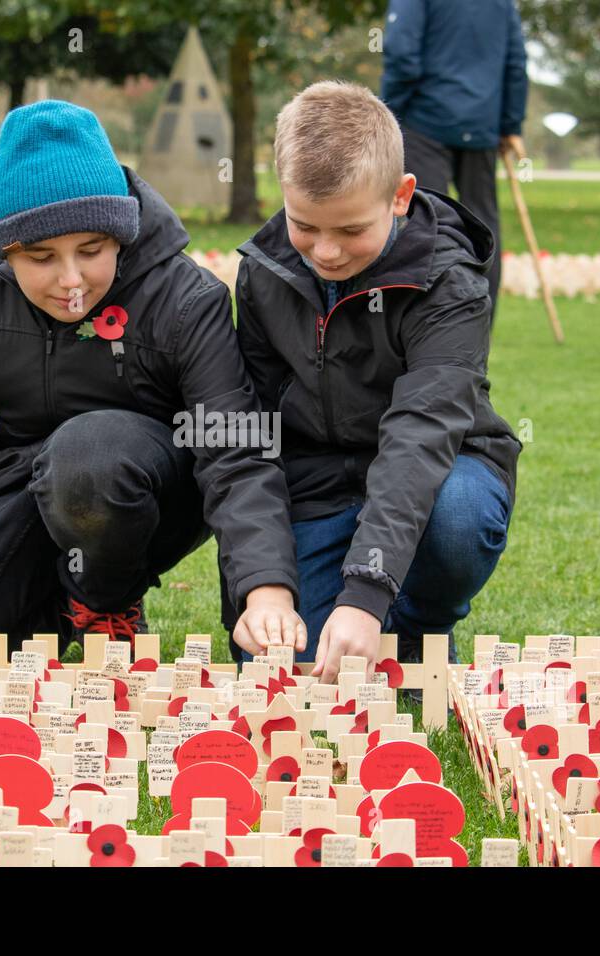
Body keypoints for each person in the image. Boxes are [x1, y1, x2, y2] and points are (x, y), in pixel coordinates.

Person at [0, 100, 305, 662]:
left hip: (147, 486)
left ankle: (107, 601)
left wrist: (263, 587)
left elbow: (236, 451)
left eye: (91, 251)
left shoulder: (189, 300)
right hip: (25, 482)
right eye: (42, 258)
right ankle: (56, 603)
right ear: (5, 253)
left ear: (120, 234)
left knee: (88, 458)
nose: (71, 280)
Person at [222, 81, 522, 682]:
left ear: (401, 196)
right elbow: (248, 438)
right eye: (305, 225)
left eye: (351, 230)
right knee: (280, 662)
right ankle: (347, 600)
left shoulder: (451, 284)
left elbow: (421, 432)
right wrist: (263, 585)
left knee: (458, 520)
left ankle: (419, 624)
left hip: (442, 472)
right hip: (315, 486)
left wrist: (366, 592)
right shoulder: (261, 275)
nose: (326, 252)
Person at [381, 0, 528, 324]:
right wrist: (508, 123)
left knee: (423, 224)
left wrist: (386, 111)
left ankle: (427, 326)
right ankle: (476, 326)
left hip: (425, 122)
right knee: (482, 226)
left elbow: (402, 53)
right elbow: (516, 64)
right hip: (481, 125)